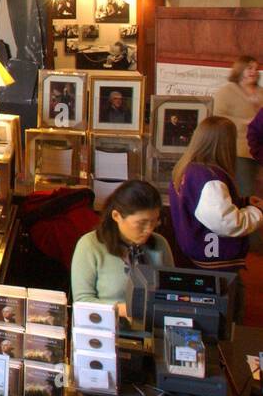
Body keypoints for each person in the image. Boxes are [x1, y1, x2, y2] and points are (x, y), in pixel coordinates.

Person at [169, 116, 262, 275]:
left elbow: (202, 209)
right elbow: (228, 223)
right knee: (233, 297)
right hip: (215, 264)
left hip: (198, 257)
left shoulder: (188, 169)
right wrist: (257, 212)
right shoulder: (208, 178)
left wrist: (243, 202)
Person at [71, 180, 171, 315]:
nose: (148, 229)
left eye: (154, 221)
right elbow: (82, 301)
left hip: (152, 329)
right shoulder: (90, 245)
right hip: (106, 327)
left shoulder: (160, 244)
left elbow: (171, 293)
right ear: (116, 216)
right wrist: (125, 310)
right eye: (141, 223)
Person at [212, 55, 263, 195]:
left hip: (260, 150)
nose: (253, 71)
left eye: (256, 68)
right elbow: (218, 118)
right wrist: (246, 122)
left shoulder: (261, 92)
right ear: (239, 69)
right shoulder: (226, 92)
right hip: (239, 151)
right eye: (249, 68)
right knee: (246, 190)